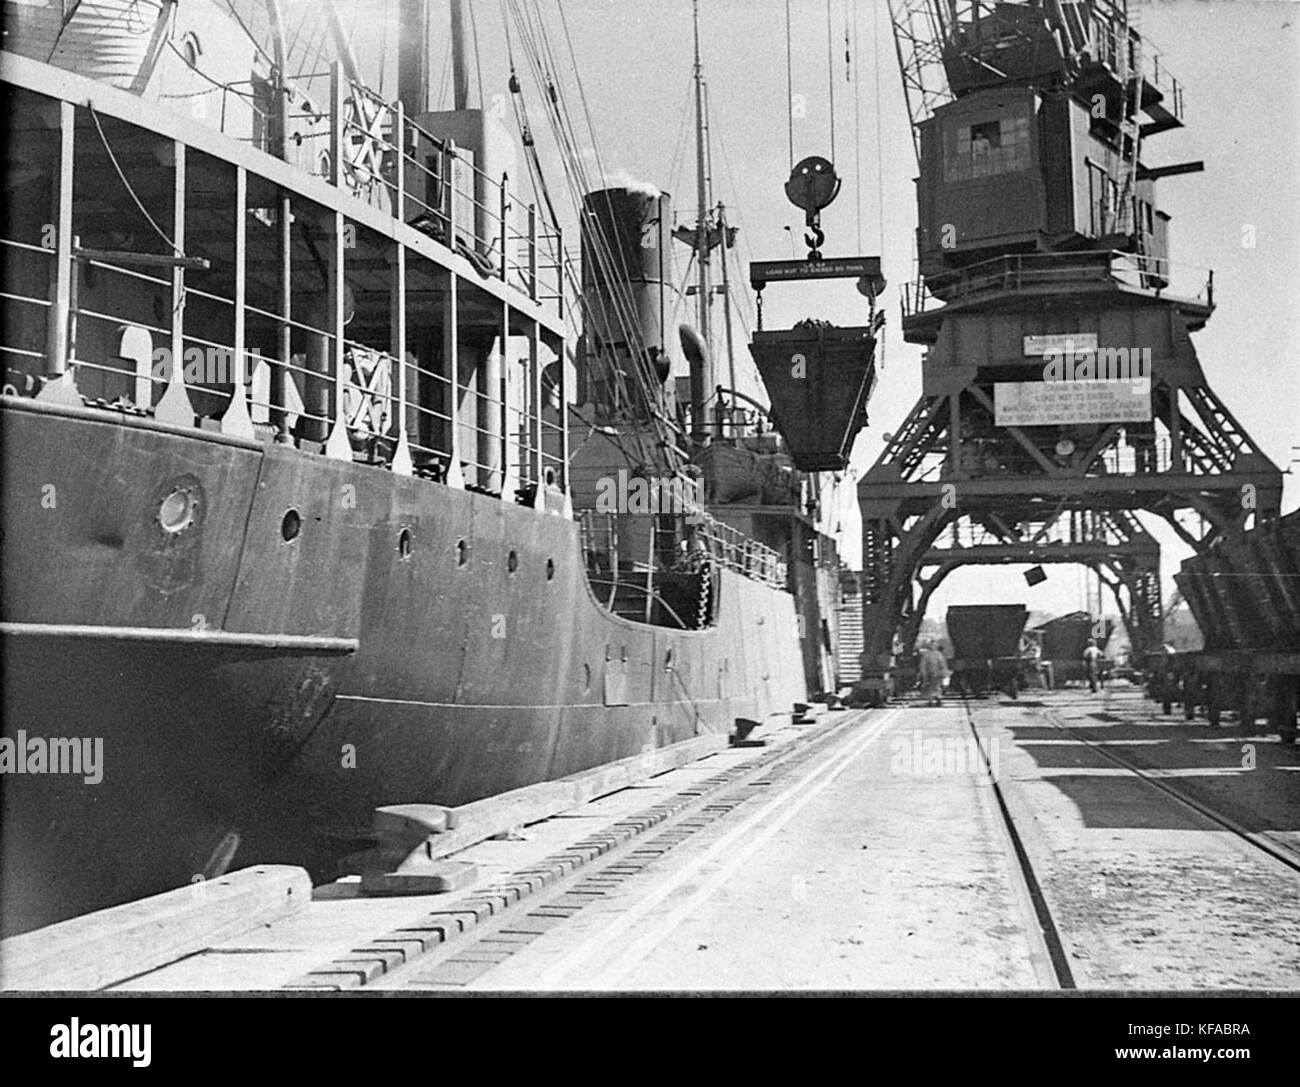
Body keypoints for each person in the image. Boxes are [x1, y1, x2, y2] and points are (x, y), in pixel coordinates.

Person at [918, 640, 950, 706]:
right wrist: (923, 673)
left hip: (936, 673)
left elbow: (943, 665)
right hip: (930, 673)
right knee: (931, 686)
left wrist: (944, 673)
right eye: (932, 645)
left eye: (934, 645)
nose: (933, 646)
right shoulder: (928, 655)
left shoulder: (938, 654)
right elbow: (923, 665)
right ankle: (932, 700)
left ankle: (937, 699)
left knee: (936, 686)